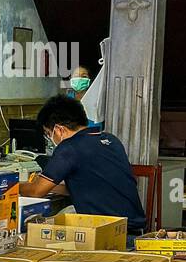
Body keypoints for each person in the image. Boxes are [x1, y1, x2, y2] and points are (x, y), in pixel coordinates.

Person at [21, 94, 146, 233]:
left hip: (111, 234)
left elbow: (36, 192)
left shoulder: (69, 148)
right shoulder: (110, 140)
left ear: (59, 129)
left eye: (48, 133)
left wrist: (11, 186)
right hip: (135, 229)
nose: (50, 138)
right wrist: (51, 186)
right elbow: (91, 186)